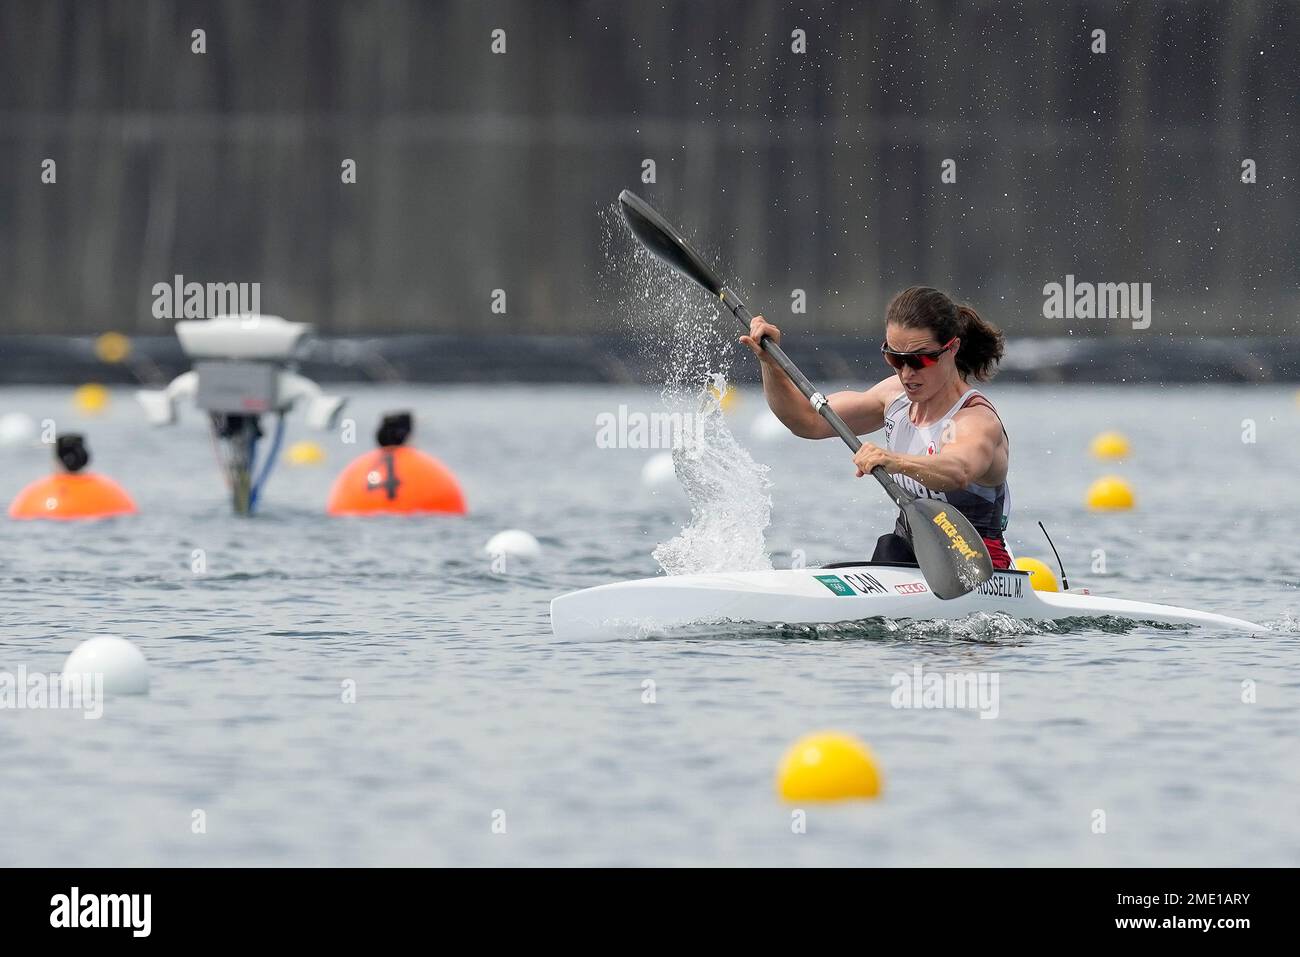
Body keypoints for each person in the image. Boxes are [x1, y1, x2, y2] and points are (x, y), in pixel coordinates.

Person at [741, 285, 1013, 568]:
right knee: (891, 547)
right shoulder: (893, 397)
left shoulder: (975, 420)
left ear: (952, 348)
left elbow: (958, 470)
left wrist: (892, 460)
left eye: (920, 360)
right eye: (895, 358)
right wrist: (770, 364)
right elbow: (805, 420)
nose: (907, 373)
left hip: (976, 568)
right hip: (908, 552)